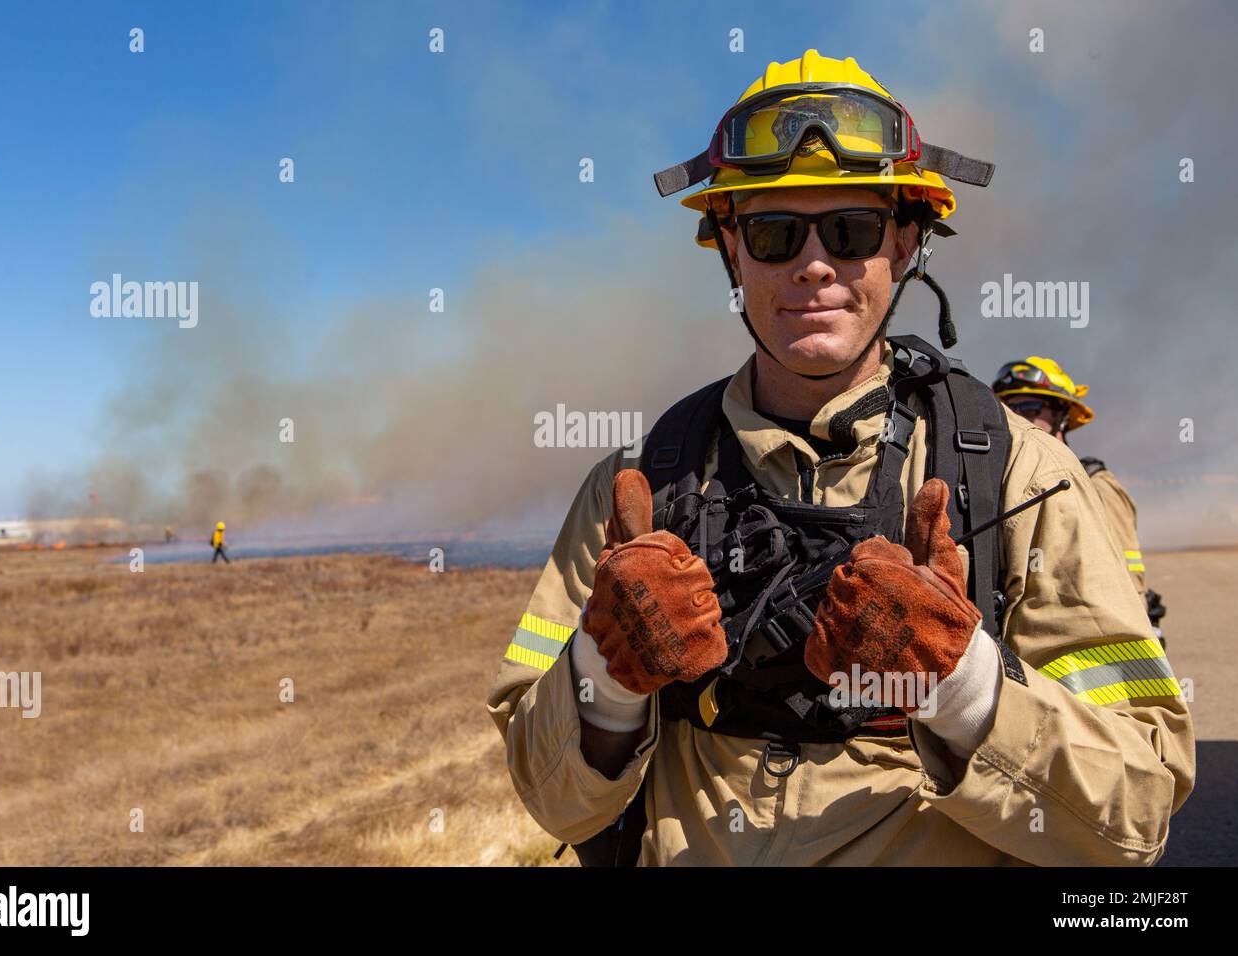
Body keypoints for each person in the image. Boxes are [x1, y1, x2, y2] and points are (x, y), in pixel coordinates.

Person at [485, 50, 1193, 866]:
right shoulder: (635, 490)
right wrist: (606, 682)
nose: (814, 264)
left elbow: (1136, 816)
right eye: (775, 232)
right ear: (730, 251)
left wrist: (961, 685)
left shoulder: (1021, 479)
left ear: (907, 243)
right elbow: (551, 801)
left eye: (851, 231)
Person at [992, 358, 1166, 642]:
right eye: (1009, 409)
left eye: (1030, 409)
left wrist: (1139, 629)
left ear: (1062, 416)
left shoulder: (1096, 485)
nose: (1018, 418)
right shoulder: (999, 484)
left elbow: (1128, 573)